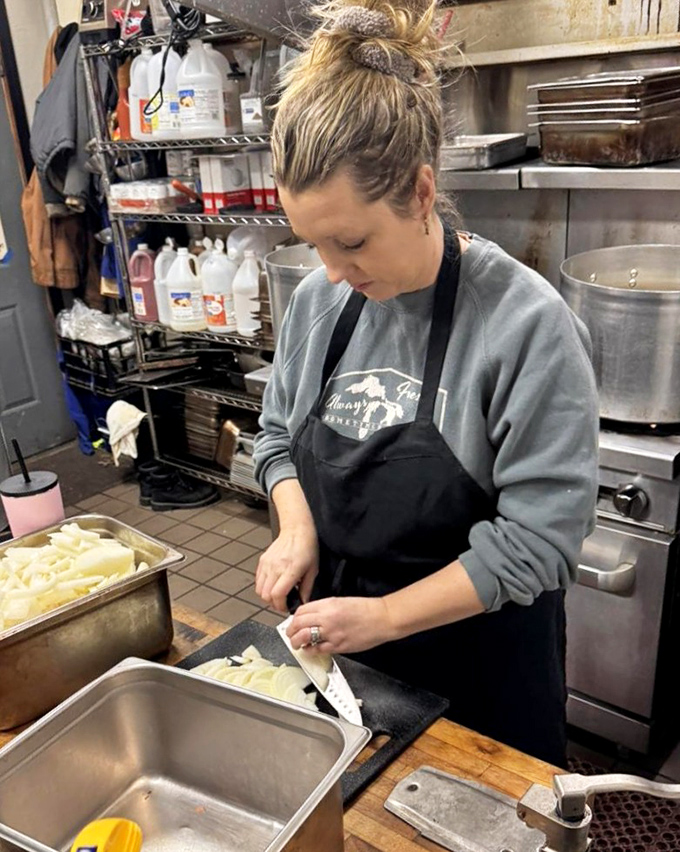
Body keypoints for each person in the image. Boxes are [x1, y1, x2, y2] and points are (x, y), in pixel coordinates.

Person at [252, 0, 599, 767]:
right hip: (350, 672)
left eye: (350, 241)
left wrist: (381, 618)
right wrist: (297, 527)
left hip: (483, 691)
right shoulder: (319, 302)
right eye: (313, 244)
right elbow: (275, 435)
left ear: (418, 192)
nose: (331, 272)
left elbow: (539, 543)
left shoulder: (524, 325)